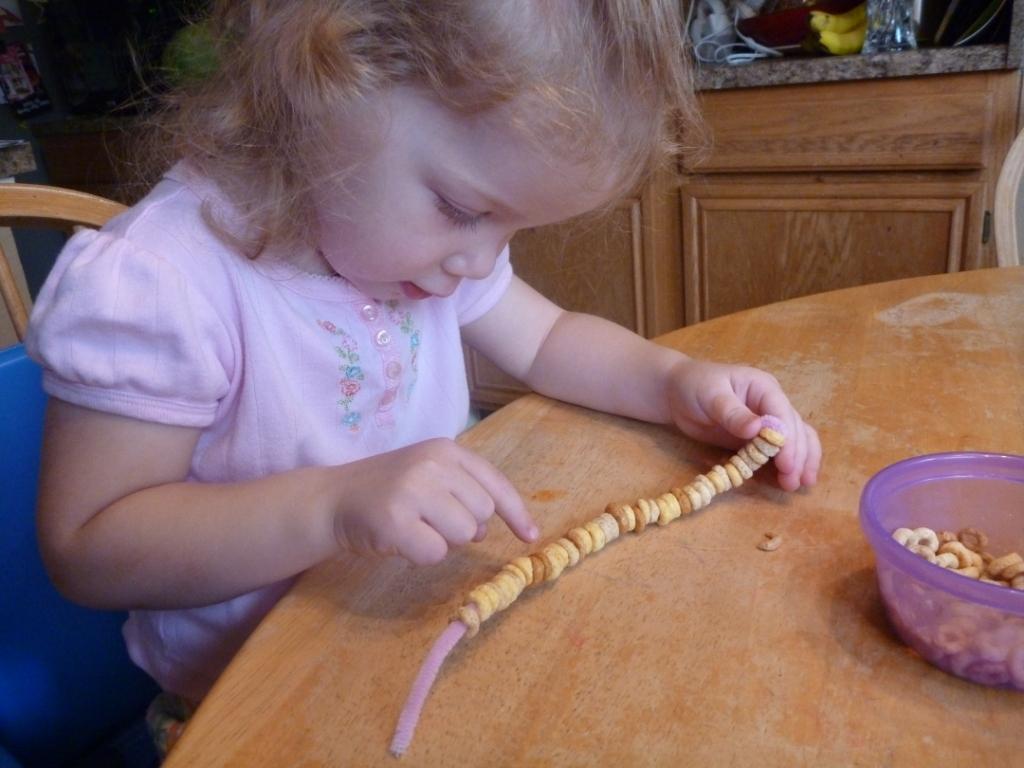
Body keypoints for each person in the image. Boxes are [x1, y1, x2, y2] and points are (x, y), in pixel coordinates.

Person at [27, 0, 820, 740]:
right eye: (465, 209)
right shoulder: (162, 285)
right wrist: (334, 507)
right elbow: (89, 548)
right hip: (251, 708)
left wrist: (674, 383)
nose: (481, 259)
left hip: (415, 638)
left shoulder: (416, 250)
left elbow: (548, 342)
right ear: (328, 77)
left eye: (513, 228)